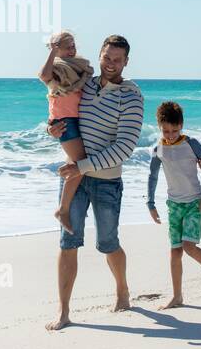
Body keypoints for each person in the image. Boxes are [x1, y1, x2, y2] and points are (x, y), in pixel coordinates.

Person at [46, 35, 144, 331]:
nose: (111, 64)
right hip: (75, 177)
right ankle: (63, 312)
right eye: (107, 57)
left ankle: (122, 291)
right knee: (68, 243)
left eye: (117, 59)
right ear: (99, 55)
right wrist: (52, 129)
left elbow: (125, 148)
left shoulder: (131, 95)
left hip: (105, 182)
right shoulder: (85, 83)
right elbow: (61, 105)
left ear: (126, 62)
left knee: (108, 243)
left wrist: (82, 167)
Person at [146, 101, 201, 308]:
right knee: (175, 251)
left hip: (195, 202)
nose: (170, 134)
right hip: (174, 206)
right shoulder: (158, 149)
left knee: (189, 246)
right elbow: (152, 177)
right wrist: (150, 203)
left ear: (182, 125)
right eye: (166, 130)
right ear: (159, 127)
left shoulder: (191, 143)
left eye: (175, 130)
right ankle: (177, 296)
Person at [37, 30, 93, 232]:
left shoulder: (77, 68)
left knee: (76, 163)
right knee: (81, 163)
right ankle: (63, 209)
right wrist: (53, 52)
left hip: (78, 120)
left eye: (73, 46)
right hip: (64, 121)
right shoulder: (57, 70)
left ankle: (71, 206)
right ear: (56, 49)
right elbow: (43, 75)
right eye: (66, 47)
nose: (72, 50)